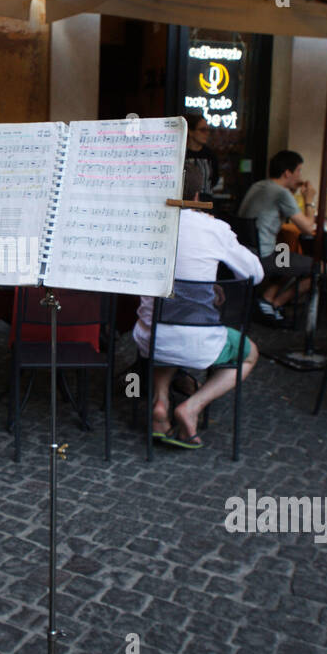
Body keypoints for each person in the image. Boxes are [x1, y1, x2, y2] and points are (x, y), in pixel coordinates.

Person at [136, 162, 263, 449]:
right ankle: (192, 407)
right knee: (250, 353)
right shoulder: (214, 228)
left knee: (166, 327)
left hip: (152, 339)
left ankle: (160, 401)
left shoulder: (145, 222)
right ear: (196, 197)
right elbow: (255, 274)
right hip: (198, 340)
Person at [237, 150, 316, 327]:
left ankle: (267, 298)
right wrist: (309, 199)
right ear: (288, 173)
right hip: (265, 256)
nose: (300, 175)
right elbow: (309, 228)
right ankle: (276, 303)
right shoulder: (281, 193)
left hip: (248, 251)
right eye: (299, 171)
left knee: (287, 252)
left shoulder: (257, 186)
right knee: (320, 268)